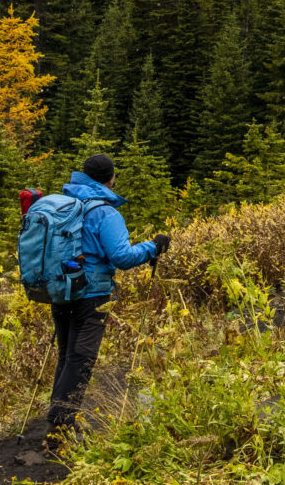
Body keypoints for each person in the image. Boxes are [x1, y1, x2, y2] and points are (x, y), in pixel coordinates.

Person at [46, 153, 171, 446]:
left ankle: (57, 420)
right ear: (110, 178)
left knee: (67, 357)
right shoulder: (104, 212)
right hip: (92, 295)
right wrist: (153, 247)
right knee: (81, 360)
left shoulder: (66, 204)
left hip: (61, 291)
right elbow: (122, 257)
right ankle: (59, 430)